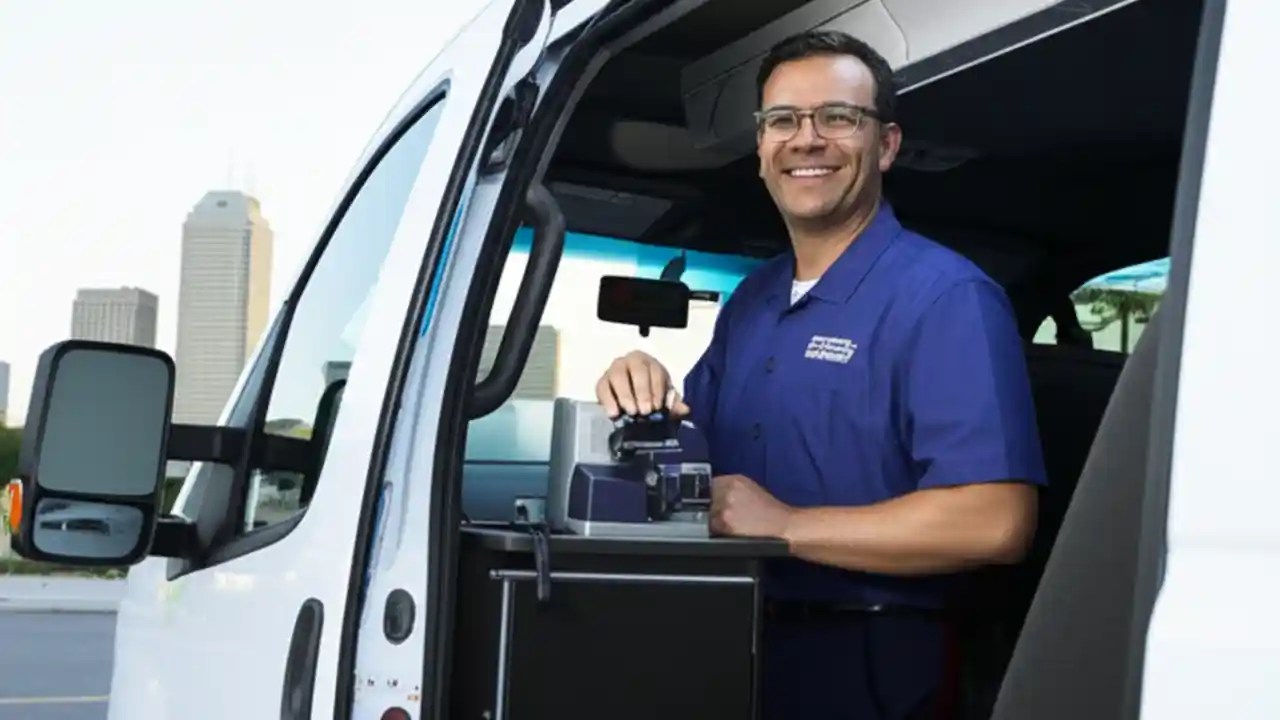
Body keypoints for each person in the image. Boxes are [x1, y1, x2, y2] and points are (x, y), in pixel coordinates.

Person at [594, 28, 1048, 720]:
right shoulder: (753, 301)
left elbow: (994, 521)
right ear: (761, 150)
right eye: (783, 120)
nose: (806, 139)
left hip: (872, 664)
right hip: (733, 641)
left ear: (886, 144)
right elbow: (694, 466)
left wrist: (785, 525)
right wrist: (641, 386)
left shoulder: (946, 298)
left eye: (837, 117)